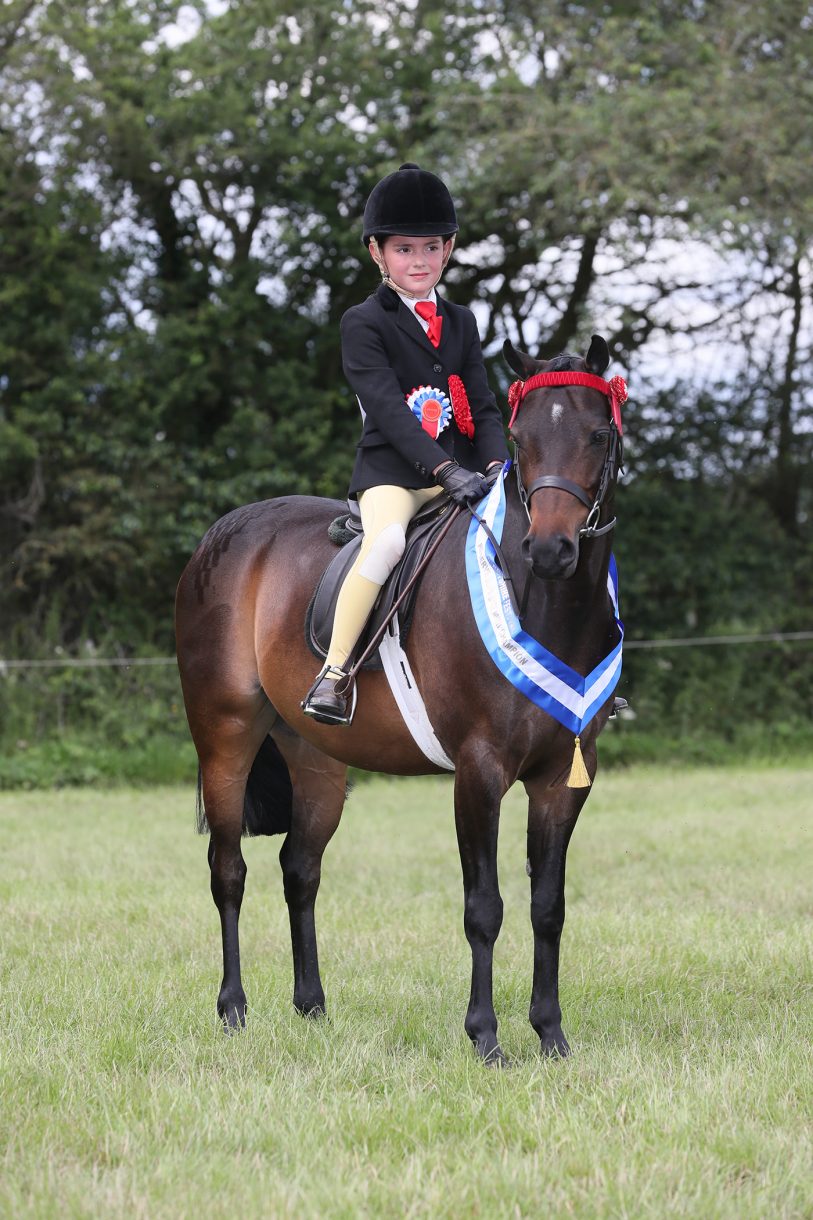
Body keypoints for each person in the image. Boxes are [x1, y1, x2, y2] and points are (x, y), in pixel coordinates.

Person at [302, 162, 510, 725]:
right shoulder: (363, 322)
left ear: (448, 250)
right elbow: (390, 412)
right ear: (378, 253)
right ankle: (335, 673)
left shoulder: (461, 321)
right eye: (403, 249)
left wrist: (496, 464)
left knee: (533, 538)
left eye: (429, 248)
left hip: (467, 476)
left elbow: (485, 405)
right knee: (388, 543)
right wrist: (447, 470)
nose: (418, 261)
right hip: (394, 477)